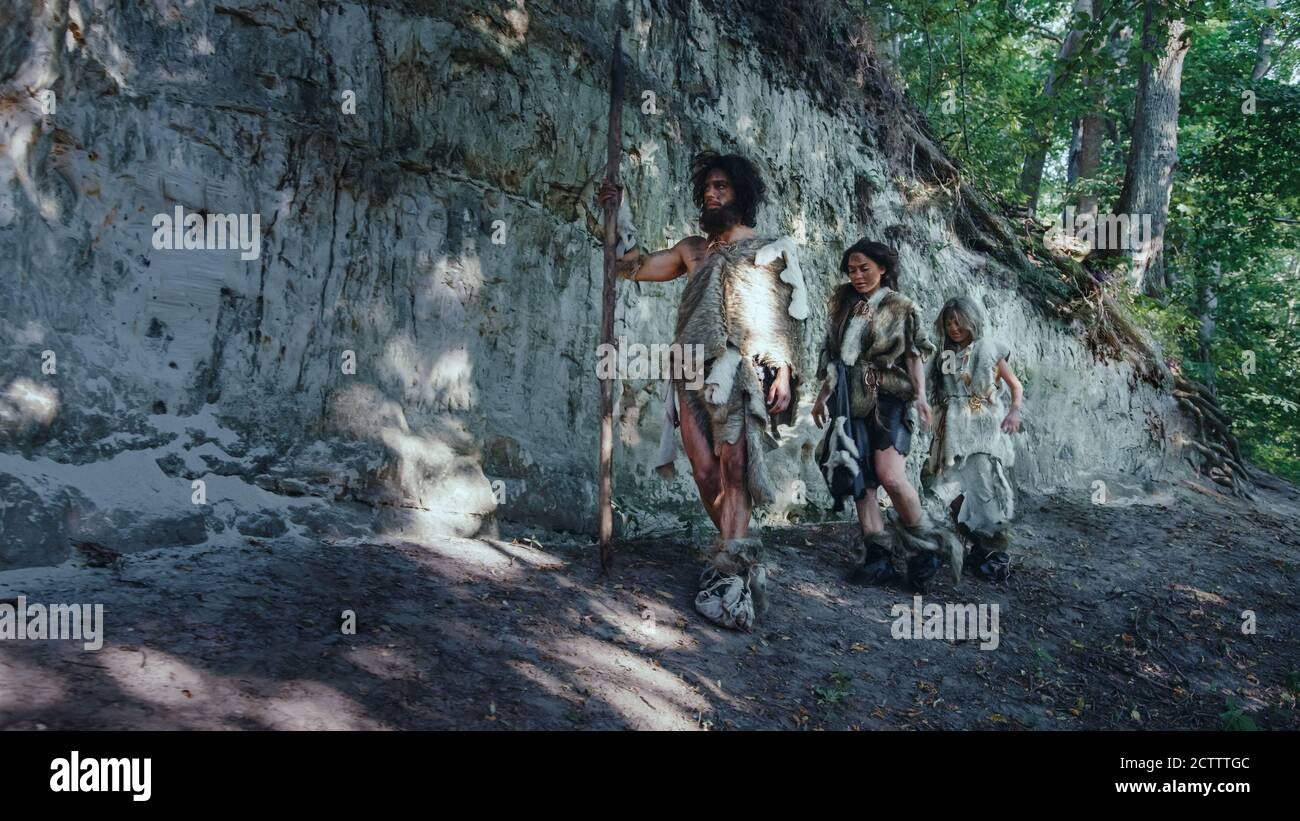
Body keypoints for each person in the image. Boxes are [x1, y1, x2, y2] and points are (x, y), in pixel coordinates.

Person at [598, 151, 808, 630]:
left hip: (740, 366)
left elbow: (790, 317)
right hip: (689, 367)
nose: (713, 194)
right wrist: (619, 212)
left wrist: (784, 371)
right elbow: (629, 266)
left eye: (722, 187)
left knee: (736, 469)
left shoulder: (770, 248)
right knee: (704, 470)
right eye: (708, 188)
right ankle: (740, 553)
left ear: (741, 192)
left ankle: (730, 572)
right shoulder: (693, 250)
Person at [811, 240, 961, 593]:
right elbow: (833, 357)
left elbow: (912, 355)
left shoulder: (900, 306)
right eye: (851, 270)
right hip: (847, 399)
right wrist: (822, 399)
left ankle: (926, 548)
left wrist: (921, 397)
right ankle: (877, 555)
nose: (858, 276)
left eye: (864, 268)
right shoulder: (841, 304)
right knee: (859, 478)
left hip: (887, 398)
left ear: (882, 268)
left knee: (890, 476)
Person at [924, 296, 1024, 582]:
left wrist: (1014, 412)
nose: (954, 328)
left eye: (958, 321)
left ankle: (997, 553)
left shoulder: (989, 349)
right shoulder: (944, 355)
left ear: (971, 320)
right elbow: (930, 387)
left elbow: (1015, 386)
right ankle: (977, 546)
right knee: (953, 491)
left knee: (982, 488)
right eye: (948, 322)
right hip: (952, 429)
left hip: (982, 426)